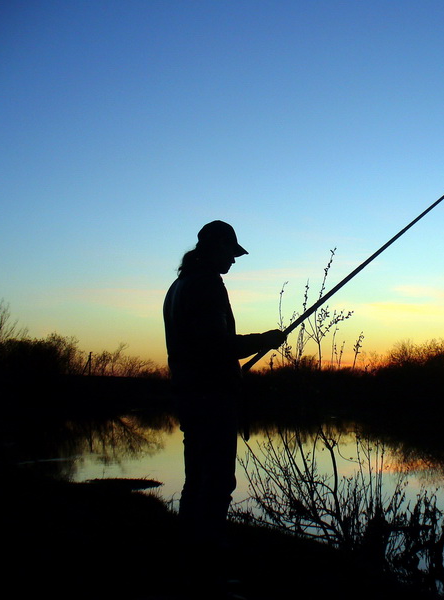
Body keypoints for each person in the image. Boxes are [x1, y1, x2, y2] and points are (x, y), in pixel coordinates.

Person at [163, 220, 285, 594]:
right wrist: (263, 340)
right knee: (216, 481)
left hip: (190, 394)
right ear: (214, 249)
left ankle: (188, 556)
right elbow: (216, 344)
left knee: (196, 478)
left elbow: (202, 346)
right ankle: (208, 565)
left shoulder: (179, 285)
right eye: (230, 254)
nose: (233, 261)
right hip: (211, 397)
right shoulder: (206, 285)